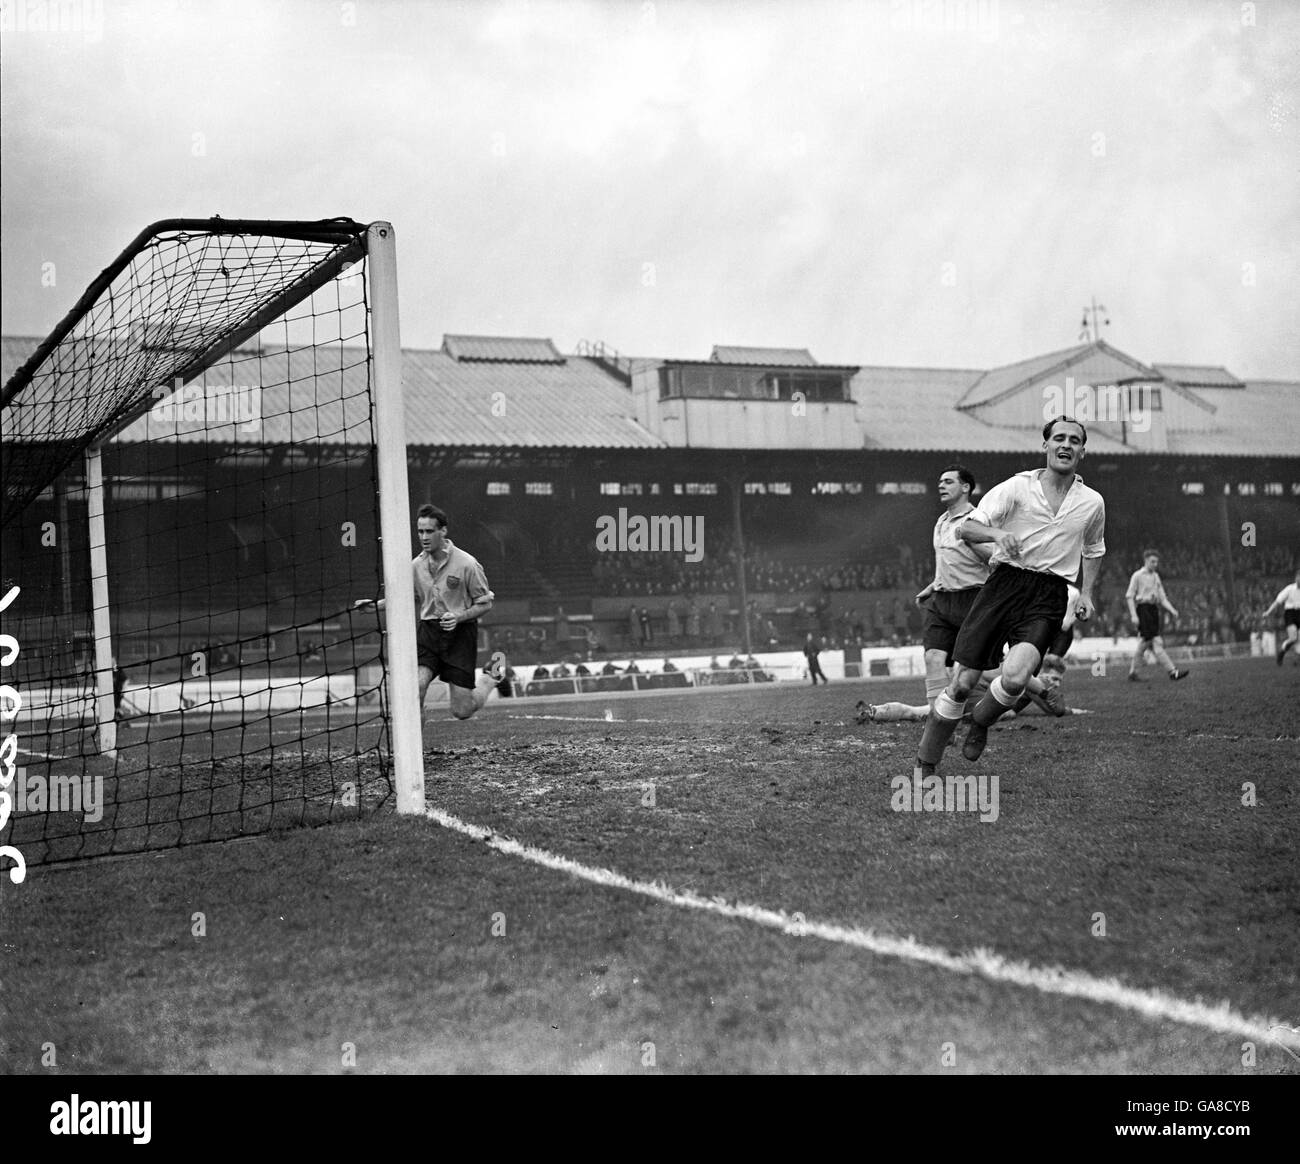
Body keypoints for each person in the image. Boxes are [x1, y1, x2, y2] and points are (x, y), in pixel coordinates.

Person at [914, 417, 1105, 773]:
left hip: (1049, 594)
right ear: (1045, 446)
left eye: (1074, 440)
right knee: (961, 684)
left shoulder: (1092, 503)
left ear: (1082, 450)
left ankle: (980, 722)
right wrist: (998, 535)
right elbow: (967, 528)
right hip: (1003, 585)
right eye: (1058, 438)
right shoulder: (1017, 488)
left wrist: (1087, 595)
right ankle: (927, 760)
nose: (1066, 445)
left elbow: (1094, 549)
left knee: (1016, 677)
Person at [355, 503, 505, 721]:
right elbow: (408, 597)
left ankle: (492, 677)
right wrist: (375, 606)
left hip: (460, 635)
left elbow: (485, 603)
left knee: (462, 710)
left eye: (429, 531)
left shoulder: (468, 564)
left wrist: (458, 616)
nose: (423, 537)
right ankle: (414, 753)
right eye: (420, 531)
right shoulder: (415, 566)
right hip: (429, 633)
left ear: (443, 531)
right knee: (414, 690)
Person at [913, 464, 996, 710]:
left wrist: (972, 543)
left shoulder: (979, 520)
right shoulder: (940, 521)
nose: (941, 485)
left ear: (965, 487)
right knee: (933, 657)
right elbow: (950, 561)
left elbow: (995, 559)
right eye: (940, 482)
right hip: (942, 599)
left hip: (973, 599)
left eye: (948, 481)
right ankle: (937, 719)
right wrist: (933, 586)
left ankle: (1040, 690)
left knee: (975, 668)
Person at [1125, 549, 1189, 682]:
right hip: (1143, 609)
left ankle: (1133, 673)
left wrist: (1172, 610)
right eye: (1152, 561)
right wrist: (1134, 615)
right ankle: (1172, 672)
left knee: (1144, 643)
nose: (1155, 564)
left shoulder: (1156, 576)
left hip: (1153, 610)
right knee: (1156, 641)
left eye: (1156, 562)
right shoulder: (1137, 575)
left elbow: (1162, 597)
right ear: (1146, 561)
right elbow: (1129, 596)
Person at [1263, 568, 1300, 665]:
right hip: (1290, 614)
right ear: (1296, 578)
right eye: (1298, 577)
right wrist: (1268, 612)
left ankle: (1296, 658)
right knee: (1293, 638)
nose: (1299, 579)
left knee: (1298, 639)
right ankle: (1282, 653)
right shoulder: (1289, 589)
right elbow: (1278, 602)